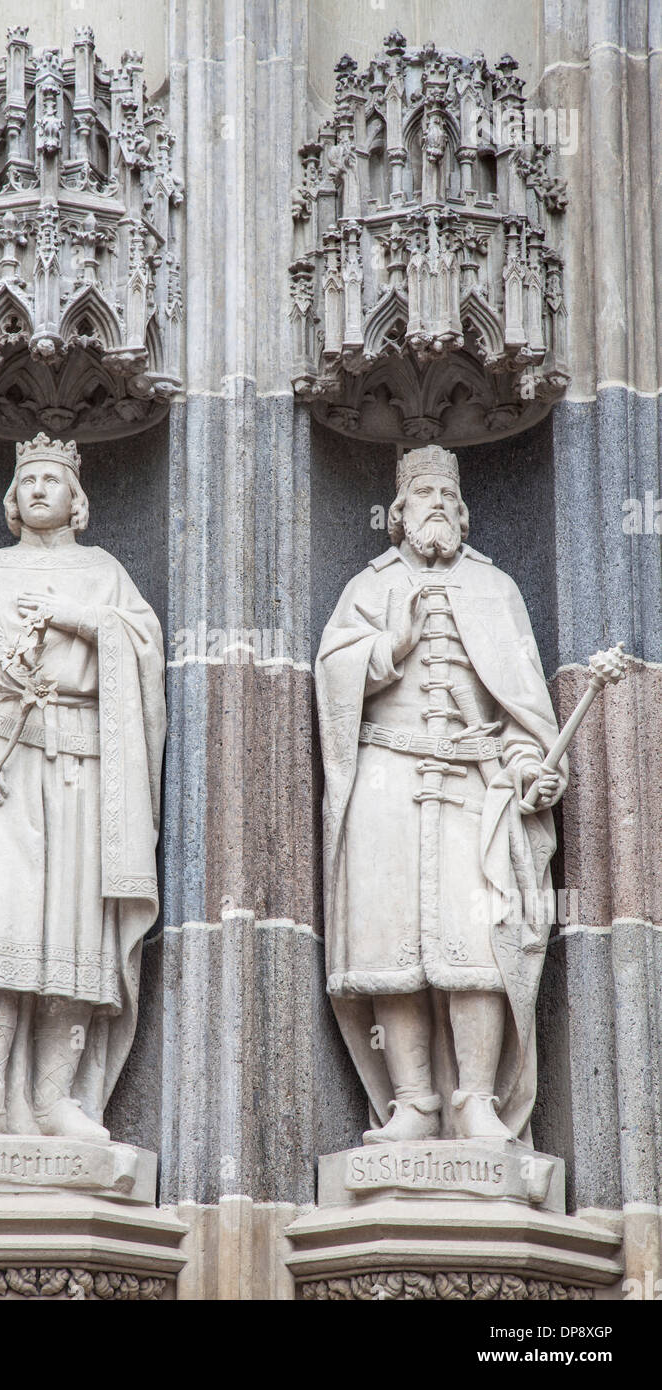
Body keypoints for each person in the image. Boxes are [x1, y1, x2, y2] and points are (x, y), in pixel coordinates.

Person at [315, 444, 565, 1144]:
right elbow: (330, 676)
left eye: (445, 499)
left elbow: (522, 711)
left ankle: (475, 1102)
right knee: (392, 949)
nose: (435, 508)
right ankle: (415, 1103)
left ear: (462, 512)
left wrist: (527, 768)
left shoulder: (497, 590)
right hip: (387, 781)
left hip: (473, 784)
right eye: (420, 496)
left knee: (477, 944)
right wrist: (386, 648)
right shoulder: (369, 587)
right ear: (397, 514)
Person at [0, 432, 165, 1142]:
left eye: (52, 479)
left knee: (73, 935)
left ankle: (58, 1100)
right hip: (3, 762)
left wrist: (75, 618)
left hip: (84, 769)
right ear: (11, 497)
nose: (38, 489)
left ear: (76, 498)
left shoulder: (104, 573)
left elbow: (145, 648)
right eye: (27, 478)